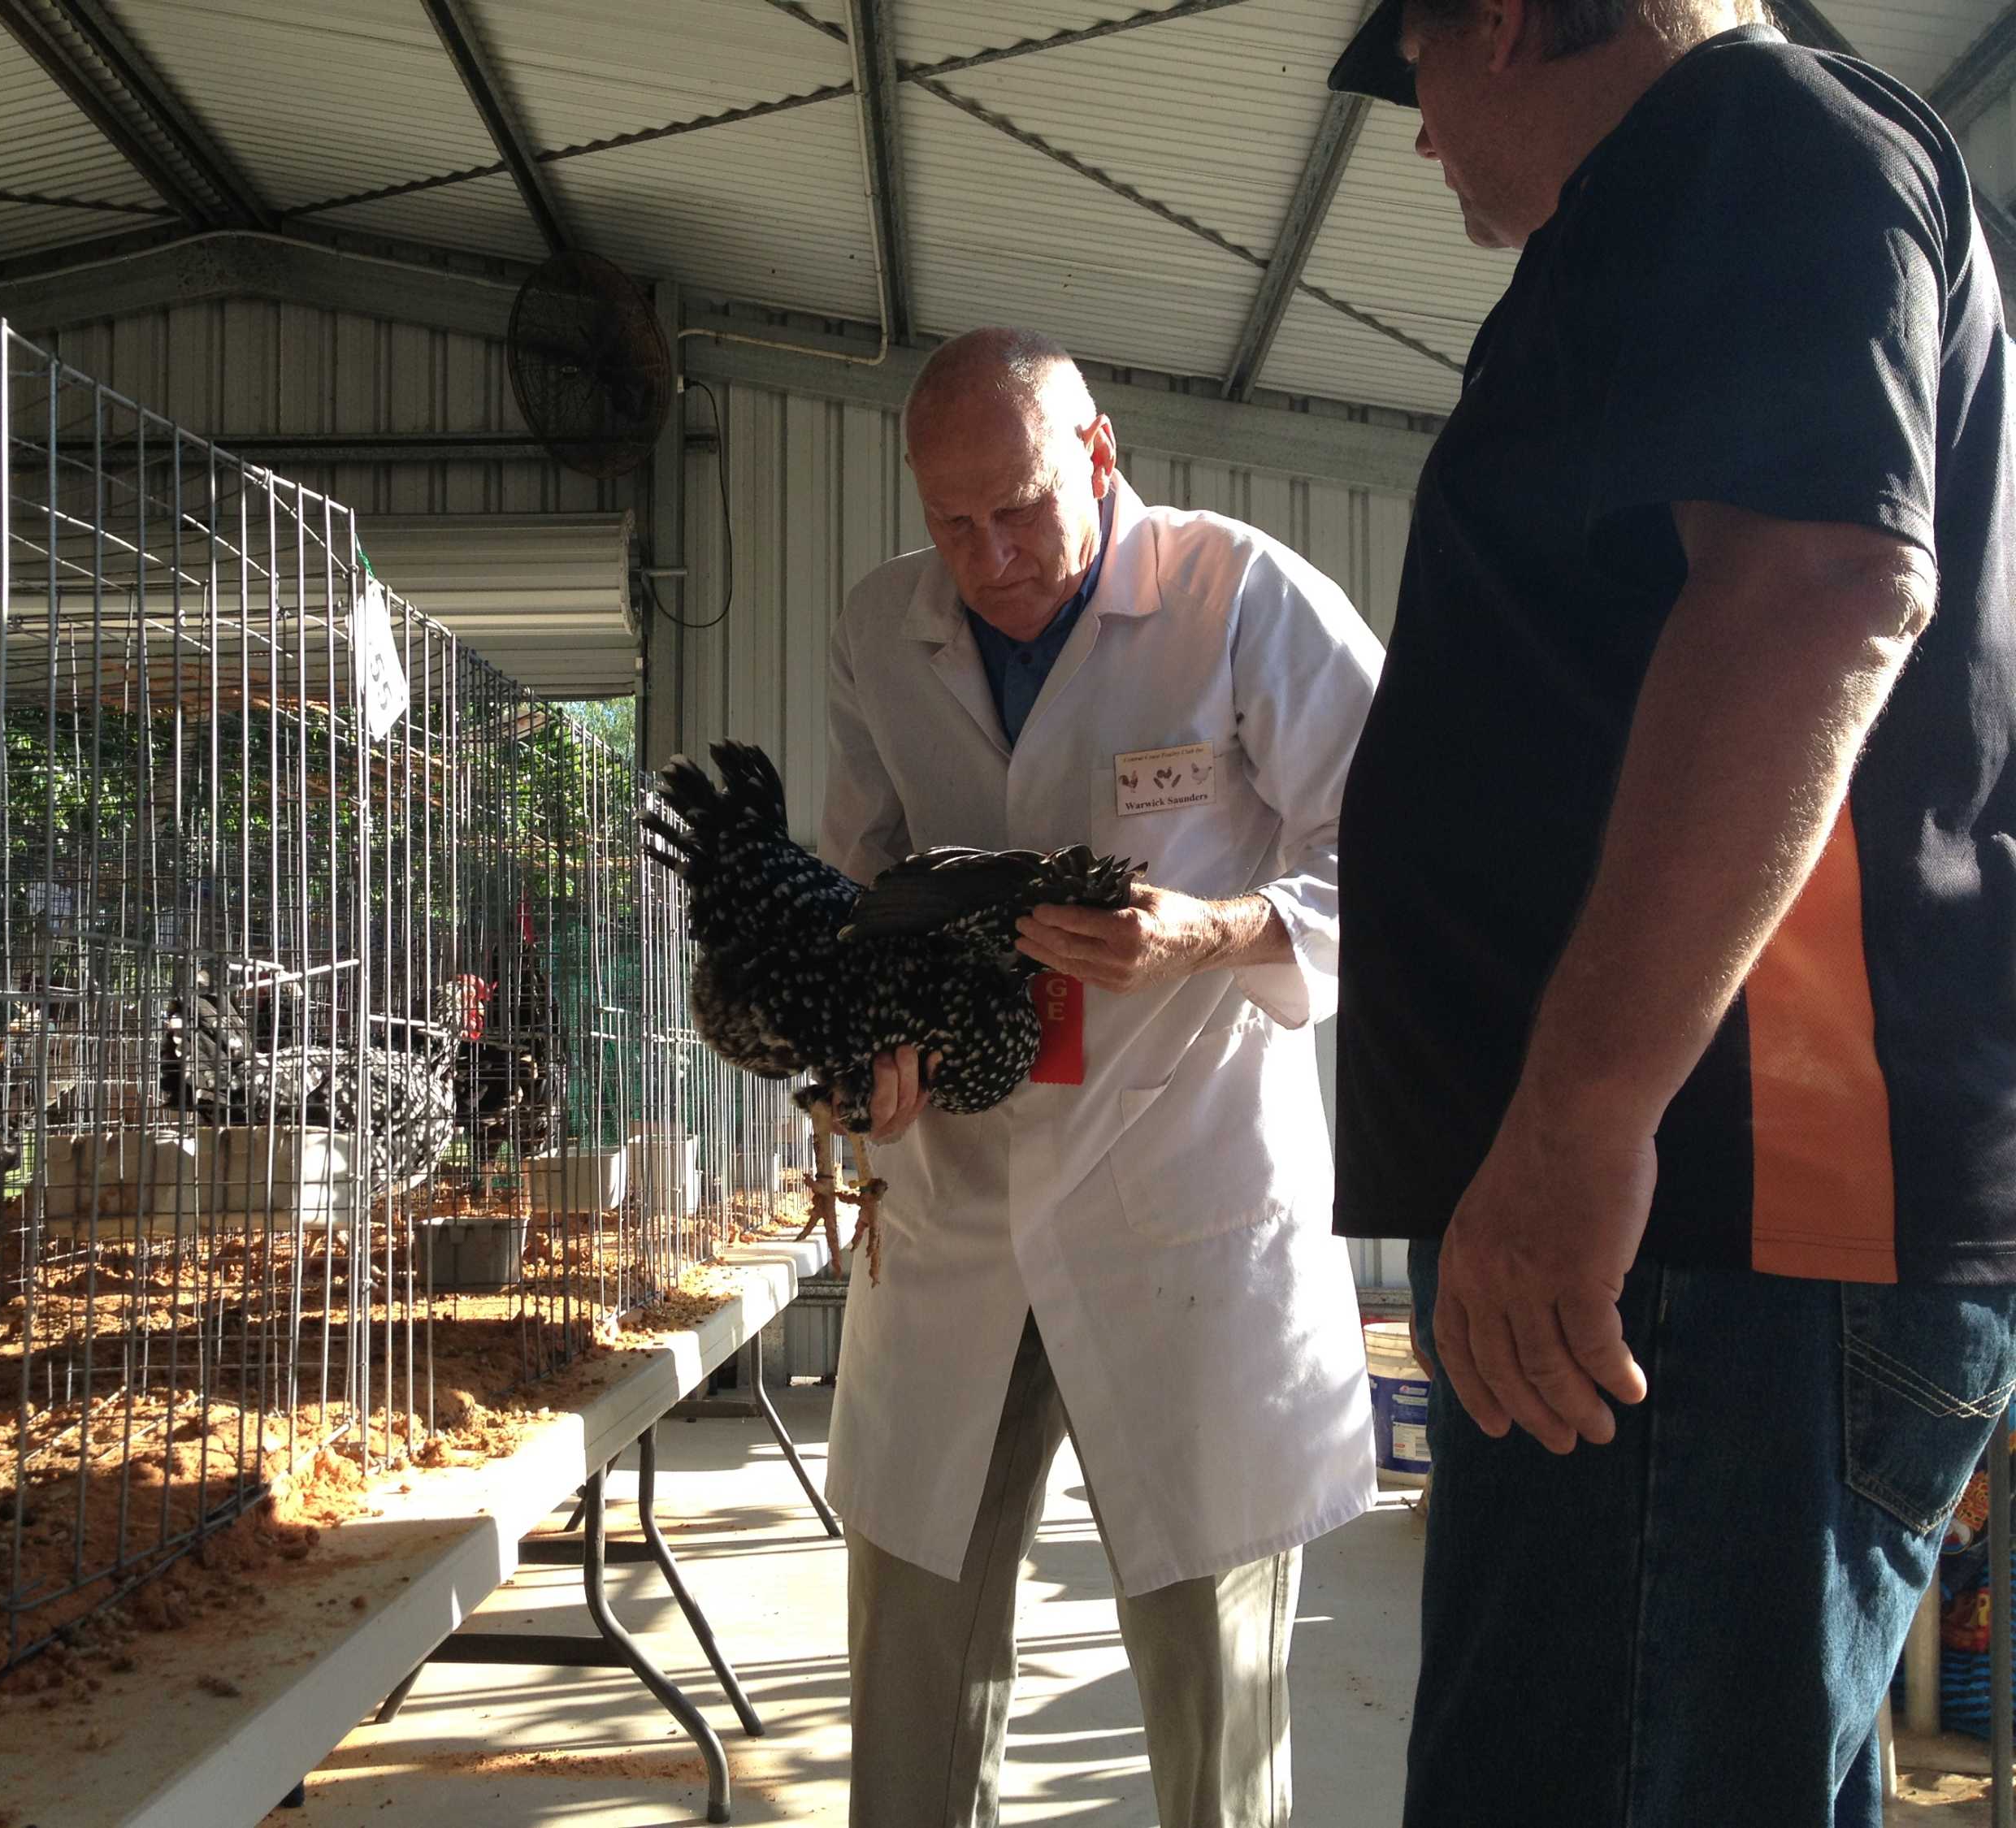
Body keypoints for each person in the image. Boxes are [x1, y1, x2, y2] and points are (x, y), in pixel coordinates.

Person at [1325, 1, 2016, 1822]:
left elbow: (1818, 588)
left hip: (1721, 1225)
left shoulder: (1748, 133)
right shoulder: (1709, 179)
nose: (1418, 138)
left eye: (1415, 80)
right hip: (1695, 1246)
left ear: (1493, 18)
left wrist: (1579, 1120)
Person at [817, 325, 1382, 1828]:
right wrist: (852, 1040)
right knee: (913, 1679)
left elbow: (1412, 852)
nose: (989, 555)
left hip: (1180, 1198)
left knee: (1216, 1716)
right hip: (955, 1201)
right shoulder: (884, 628)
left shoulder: (1237, 598)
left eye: (1019, 506)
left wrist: (1219, 929)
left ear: (1100, 452)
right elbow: (852, 881)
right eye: (952, 521)